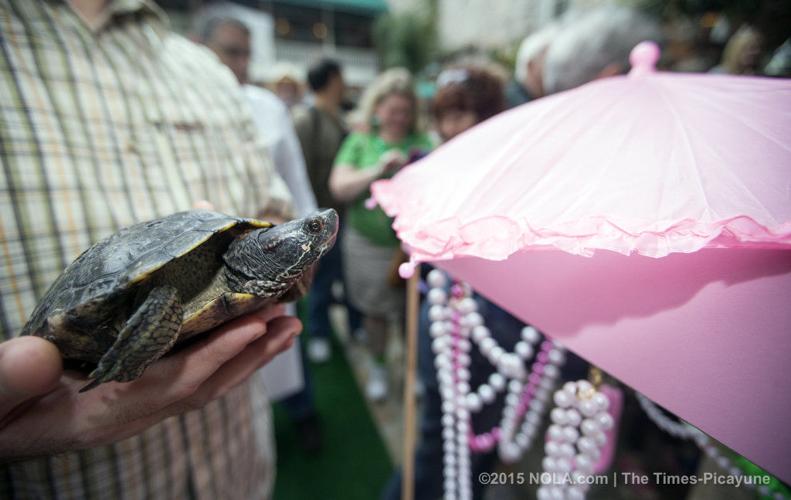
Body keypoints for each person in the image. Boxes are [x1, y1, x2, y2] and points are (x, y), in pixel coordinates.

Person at [0, 0, 302, 498]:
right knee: (162, 296)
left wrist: (293, 250)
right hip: (79, 481)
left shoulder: (206, 71)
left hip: (239, 465)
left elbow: (273, 211)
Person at [382, 65, 521, 500]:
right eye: (445, 114)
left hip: (497, 323)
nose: (452, 125)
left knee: (483, 438)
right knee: (436, 438)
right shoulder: (428, 167)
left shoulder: (513, 174)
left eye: (464, 112)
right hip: (442, 318)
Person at [195, 14, 325, 453]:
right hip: (211, 273)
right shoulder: (181, 104)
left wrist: (310, 246)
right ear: (199, 46)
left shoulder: (267, 107)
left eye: (248, 52)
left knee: (283, 342)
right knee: (218, 366)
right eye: (232, 50)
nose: (242, 62)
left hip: (275, 256)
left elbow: (297, 181)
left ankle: (304, 415)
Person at [329, 68, 433, 401]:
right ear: (377, 109)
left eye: (405, 111)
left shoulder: (422, 143)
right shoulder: (359, 141)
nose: (399, 118)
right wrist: (378, 170)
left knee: (410, 313)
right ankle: (378, 365)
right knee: (375, 313)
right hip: (367, 246)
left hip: (410, 248)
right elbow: (339, 187)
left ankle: (413, 368)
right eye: (392, 110)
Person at [293, 58, 363, 363]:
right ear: (333, 79)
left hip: (346, 216)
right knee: (320, 279)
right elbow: (299, 174)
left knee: (349, 275)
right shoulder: (307, 120)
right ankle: (319, 334)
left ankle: (355, 326)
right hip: (318, 219)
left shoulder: (341, 117)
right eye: (342, 77)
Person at [506, 23, 559, 108]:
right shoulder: (517, 105)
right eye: (549, 60)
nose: (555, 66)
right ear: (530, 65)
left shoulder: (527, 100)